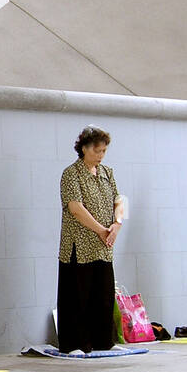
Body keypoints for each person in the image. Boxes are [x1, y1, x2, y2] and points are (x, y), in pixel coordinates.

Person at [57, 126, 127, 354]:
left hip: (103, 245)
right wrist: (100, 230)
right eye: (97, 151)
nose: (101, 155)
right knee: (78, 295)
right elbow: (75, 208)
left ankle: (104, 341)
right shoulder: (72, 173)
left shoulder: (107, 172)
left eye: (104, 151)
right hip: (79, 244)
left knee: (103, 294)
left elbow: (119, 199)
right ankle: (74, 343)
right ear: (84, 148)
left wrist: (116, 224)